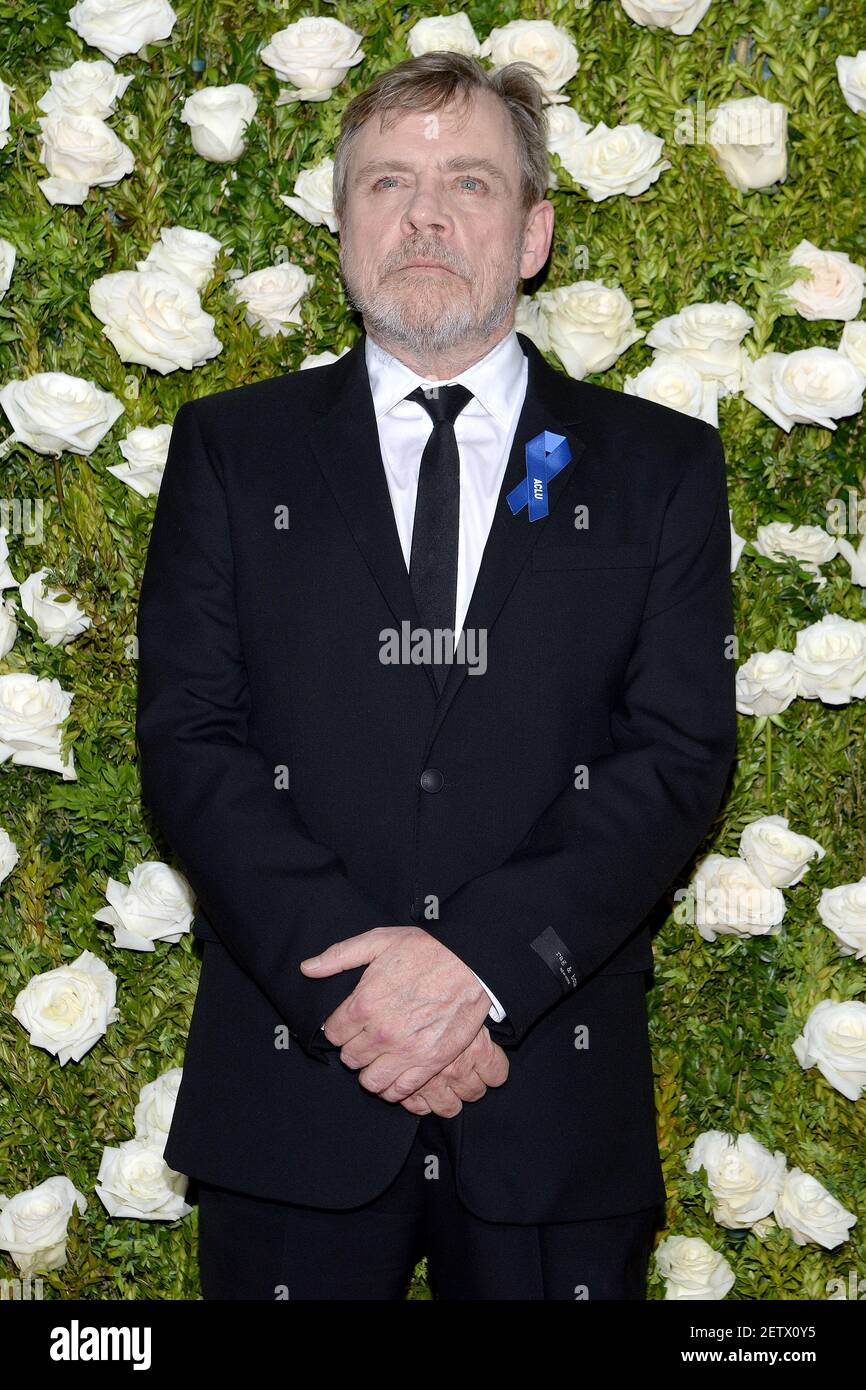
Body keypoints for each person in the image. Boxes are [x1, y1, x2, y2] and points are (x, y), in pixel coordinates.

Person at [135, 50, 737, 1300]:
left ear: (532, 234)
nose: (423, 214)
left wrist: (477, 972)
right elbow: (190, 740)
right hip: (294, 1093)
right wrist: (365, 993)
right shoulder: (231, 452)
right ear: (341, 226)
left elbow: (675, 756)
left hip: (547, 1109)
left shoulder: (657, 467)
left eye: (468, 181)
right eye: (386, 184)